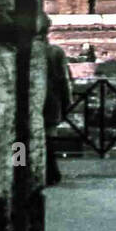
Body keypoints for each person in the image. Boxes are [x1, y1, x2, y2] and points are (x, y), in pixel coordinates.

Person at [41, 26, 72, 186]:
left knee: (20, 141)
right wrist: (67, 103)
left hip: (31, 105)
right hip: (50, 103)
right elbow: (64, 81)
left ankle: (21, 169)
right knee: (48, 139)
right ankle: (51, 172)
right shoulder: (55, 53)